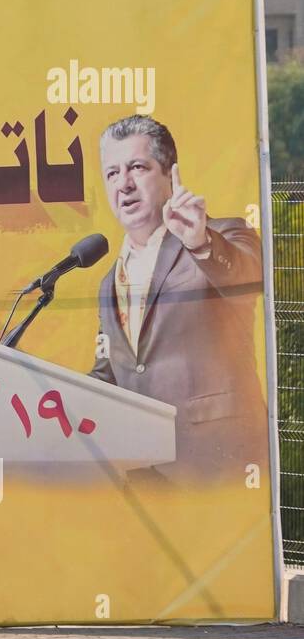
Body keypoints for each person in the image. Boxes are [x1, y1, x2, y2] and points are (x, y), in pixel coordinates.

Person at [89, 115, 267, 483]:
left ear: (170, 175)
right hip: (146, 478)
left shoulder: (223, 233)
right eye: (112, 173)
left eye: (137, 167)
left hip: (222, 468)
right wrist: (45, 394)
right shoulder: (109, 282)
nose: (123, 184)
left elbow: (249, 280)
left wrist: (199, 243)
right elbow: (110, 373)